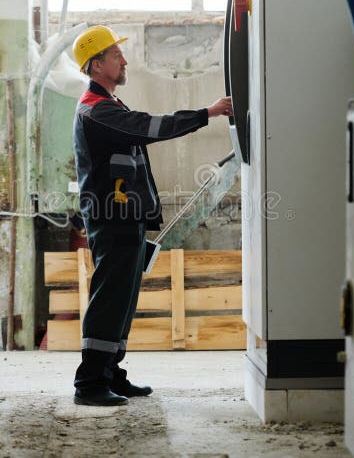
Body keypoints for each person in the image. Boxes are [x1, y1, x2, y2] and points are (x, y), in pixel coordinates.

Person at [71, 25, 233, 406]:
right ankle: (90, 382)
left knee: (122, 298)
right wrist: (206, 113)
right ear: (96, 65)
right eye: (115, 55)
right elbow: (150, 127)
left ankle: (110, 372)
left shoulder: (109, 104)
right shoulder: (97, 110)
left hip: (125, 218)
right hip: (112, 220)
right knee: (110, 298)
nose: (124, 60)